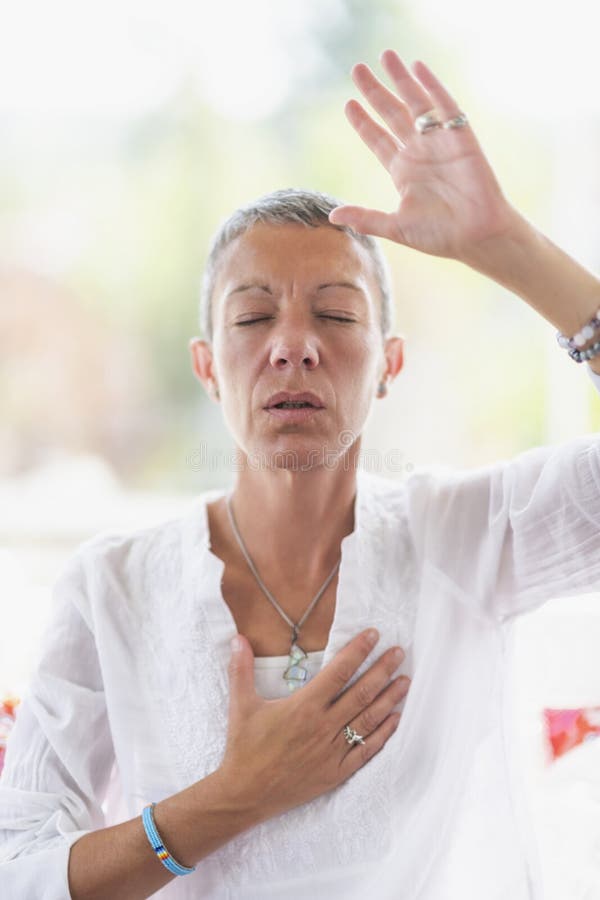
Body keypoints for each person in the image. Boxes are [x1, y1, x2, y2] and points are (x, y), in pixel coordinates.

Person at [1, 48, 600, 900]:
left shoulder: (472, 537)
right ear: (208, 367)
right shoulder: (111, 590)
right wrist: (234, 798)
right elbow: (17, 871)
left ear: (389, 362)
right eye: (253, 315)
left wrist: (508, 247)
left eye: (334, 313)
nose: (293, 344)